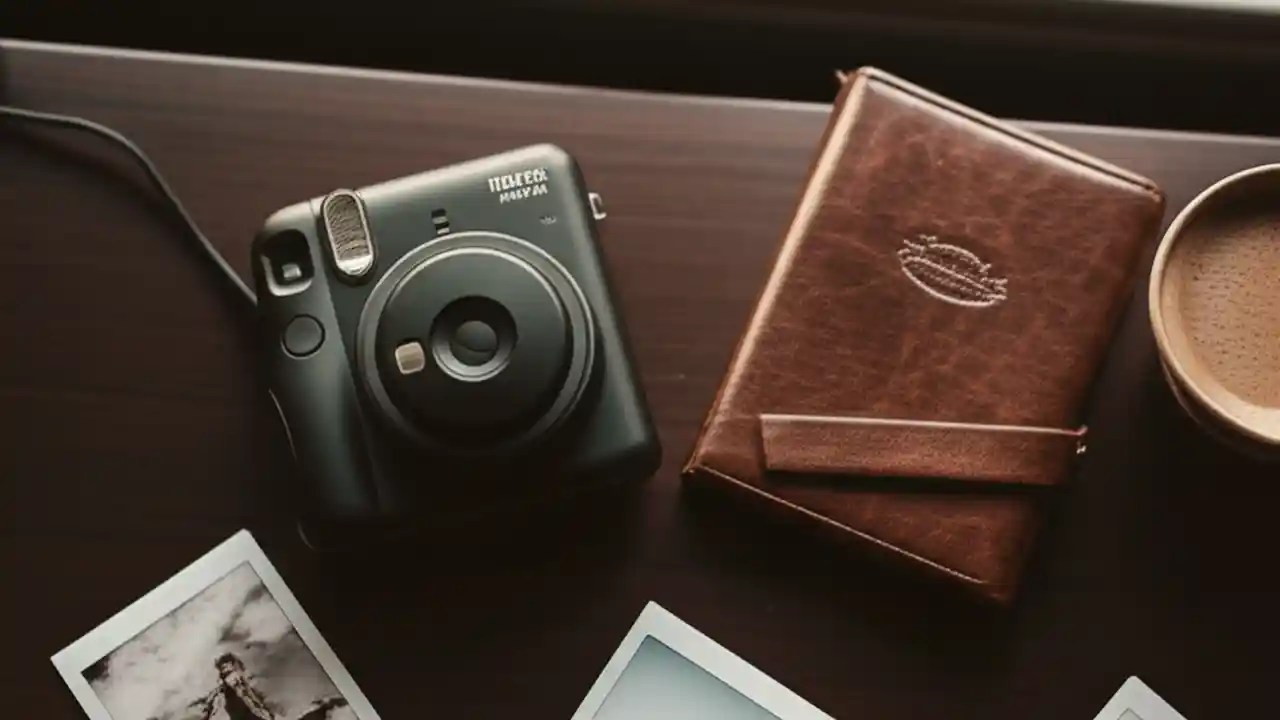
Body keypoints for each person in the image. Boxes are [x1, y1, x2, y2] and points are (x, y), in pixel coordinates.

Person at [197, 653, 275, 720]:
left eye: (233, 671)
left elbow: (263, 712)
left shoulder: (248, 688)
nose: (232, 677)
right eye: (227, 674)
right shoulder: (221, 697)